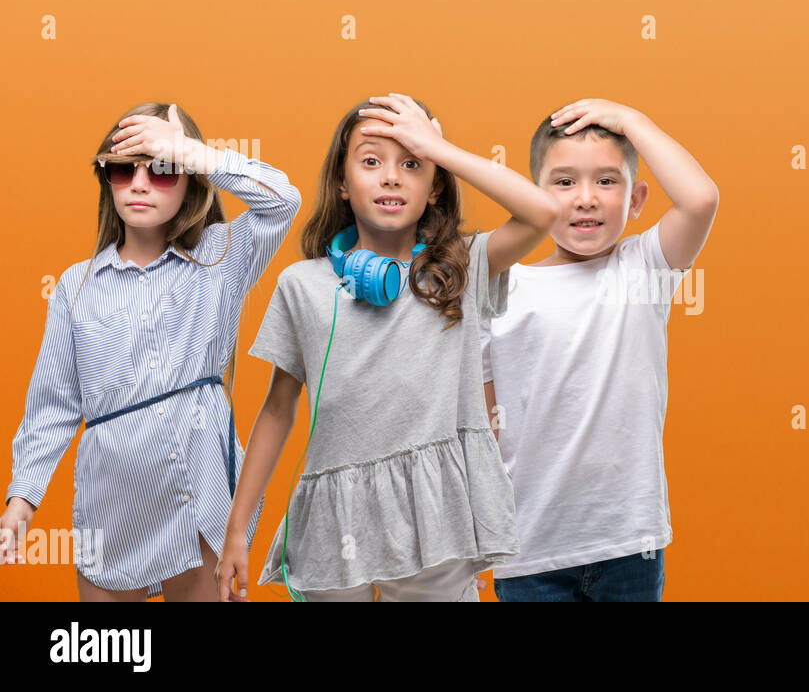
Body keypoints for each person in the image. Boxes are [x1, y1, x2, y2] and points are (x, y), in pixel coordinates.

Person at [216, 93, 559, 601]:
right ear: (341, 181)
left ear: (436, 184)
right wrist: (237, 532)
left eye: (413, 163)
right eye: (371, 161)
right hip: (334, 515)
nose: (392, 177)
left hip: (436, 510)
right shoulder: (302, 285)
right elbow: (276, 411)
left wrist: (439, 147)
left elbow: (542, 212)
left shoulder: (462, 267)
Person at [0, 102, 302, 601]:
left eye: (162, 169)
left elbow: (283, 200)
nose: (140, 183)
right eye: (125, 168)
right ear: (108, 180)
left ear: (190, 180)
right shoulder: (76, 287)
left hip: (199, 488)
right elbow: (52, 406)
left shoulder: (220, 257)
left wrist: (191, 151)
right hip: (111, 501)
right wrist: (22, 500)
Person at [481, 98, 717, 601]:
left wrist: (630, 119)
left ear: (636, 200)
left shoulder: (642, 271)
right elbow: (482, 426)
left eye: (607, 181)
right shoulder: (499, 289)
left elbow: (700, 199)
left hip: (630, 543)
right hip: (530, 549)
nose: (585, 198)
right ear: (534, 198)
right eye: (564, 182)